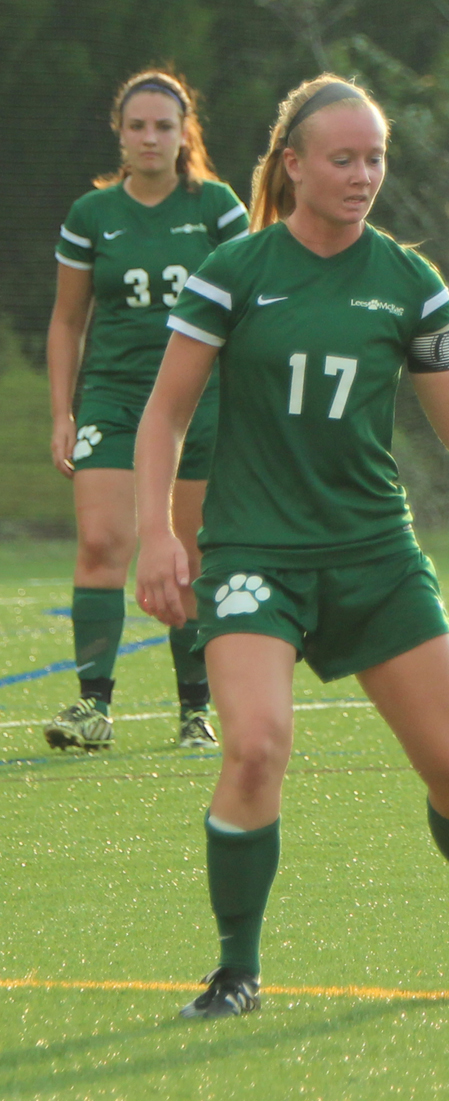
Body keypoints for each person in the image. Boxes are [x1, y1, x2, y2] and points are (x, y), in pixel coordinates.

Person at [132, 74, 449, 1018]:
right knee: (255, 747)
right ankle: (236, 969)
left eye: (374, 158)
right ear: (292, 165)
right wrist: (155, 534)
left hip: (375, 556)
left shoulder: (408, 281)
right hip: (255, 553)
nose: (362, 174)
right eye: (341, 158)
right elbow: (165, 413)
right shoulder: (235, 271)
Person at [47, 69, 247, 753]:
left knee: (185, 558)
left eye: (164, 125)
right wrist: (61, 412)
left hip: (198, 401)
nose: (150, 137)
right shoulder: (91, 215)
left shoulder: (216, 208)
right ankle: (92, 707)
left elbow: (247, 305)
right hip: (114, 395)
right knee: (103, 543)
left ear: (184, 133)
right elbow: (68, 321)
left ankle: (196, 710)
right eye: (138, 125)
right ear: (120, 132)